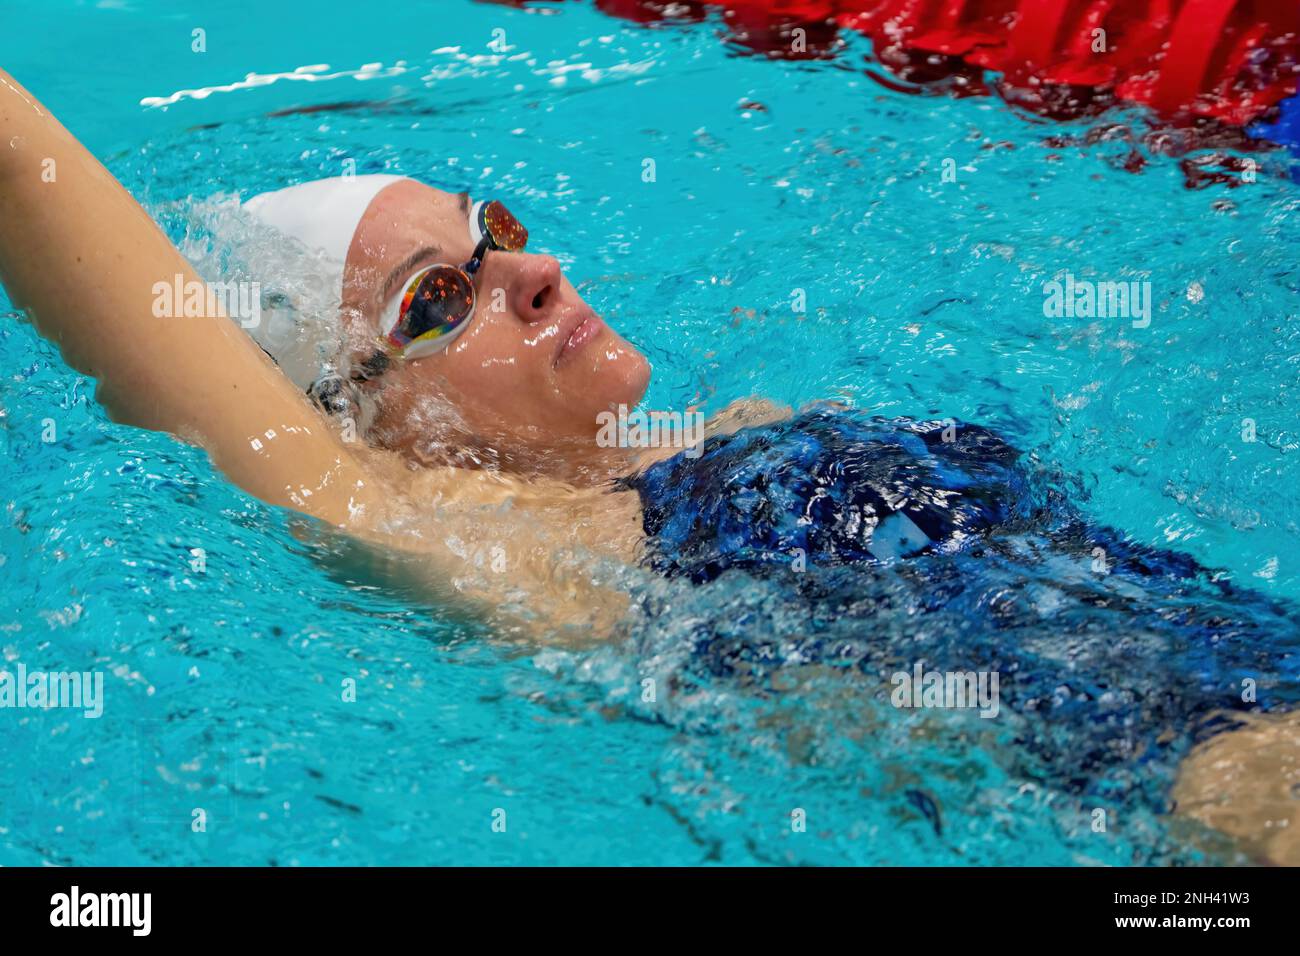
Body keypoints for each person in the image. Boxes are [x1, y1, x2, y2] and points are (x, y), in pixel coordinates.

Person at [2, 67, 1297, 862]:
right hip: (1223, 781)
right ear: (370, 423)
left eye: (493, 233)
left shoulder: (739, 421)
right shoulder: (492, 540)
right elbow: (31, 178)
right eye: (437, 299)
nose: (533, 270)